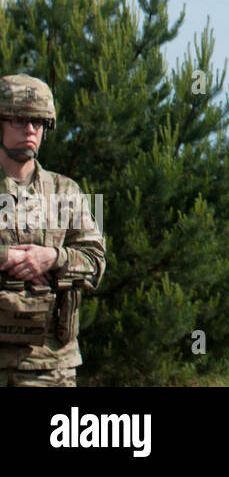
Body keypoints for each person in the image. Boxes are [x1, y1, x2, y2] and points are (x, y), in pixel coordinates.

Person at [0, 74, 105, 387]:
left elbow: (96, 263)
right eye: (20, 119)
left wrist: (53, 258)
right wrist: (6, 258)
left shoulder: (67, 192)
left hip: (50, 368)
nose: (31, 129)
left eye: (39, 122)